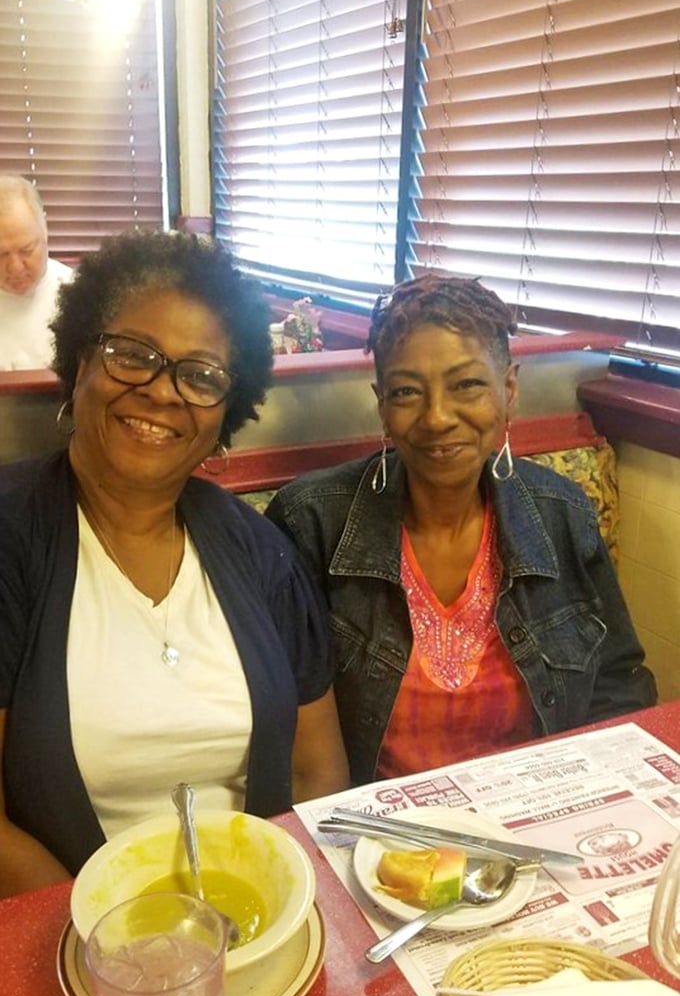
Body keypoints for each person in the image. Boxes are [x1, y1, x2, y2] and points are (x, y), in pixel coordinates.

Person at [0, 229, 349, 897]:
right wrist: (112, 932)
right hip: (74, 927)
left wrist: (275, 905)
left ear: (224, 417)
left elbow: (314, 773)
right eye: (133, 355)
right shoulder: (10, 537)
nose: (163, 392)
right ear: (81, 363)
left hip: (250, 912)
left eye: (201, 376)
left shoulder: (264, 553)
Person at [266, 273, 657, 786]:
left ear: (508, 390)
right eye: (407, 391)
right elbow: (282, 722)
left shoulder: (561, 513)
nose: (437, 417)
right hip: (378, 825)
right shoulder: (311, 523)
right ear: (382, 404)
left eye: (467, 385)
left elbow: (618, 683)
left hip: (535, 807)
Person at [0, 174, 73, 370]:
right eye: (1, 255)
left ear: (45, 230)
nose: (15, 268)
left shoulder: (80, 292)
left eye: (26, 250)